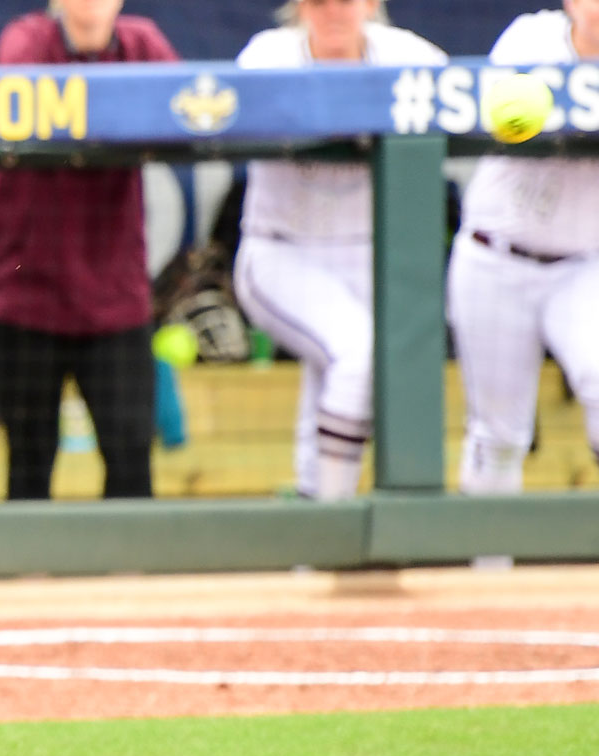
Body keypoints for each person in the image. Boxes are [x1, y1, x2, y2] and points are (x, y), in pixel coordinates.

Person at [234, 0, 445, 501]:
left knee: (336, 381)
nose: (333, 12)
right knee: (356, 356)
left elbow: (470, 103)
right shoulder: (268, 57)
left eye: (345, 0)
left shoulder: (409, 55)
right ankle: (333, 520)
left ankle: (313, 536)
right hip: (282, 252)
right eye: (319, 1)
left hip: (367, 255)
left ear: (370, 5)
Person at [0, 0, 176, 501]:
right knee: (30, 460)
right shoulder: (26, 37)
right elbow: (21, 91)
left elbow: (190, 108)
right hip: (23, 298)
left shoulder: (142, 42)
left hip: (113, 300)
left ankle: (128, 577)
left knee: (130, 458)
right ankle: (27, 579)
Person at [449, 1, 599, 506]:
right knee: (497, 438)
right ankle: (488, 580)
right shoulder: (530, 38)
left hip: (584, 266)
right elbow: (503, 116)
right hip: (496, 258)